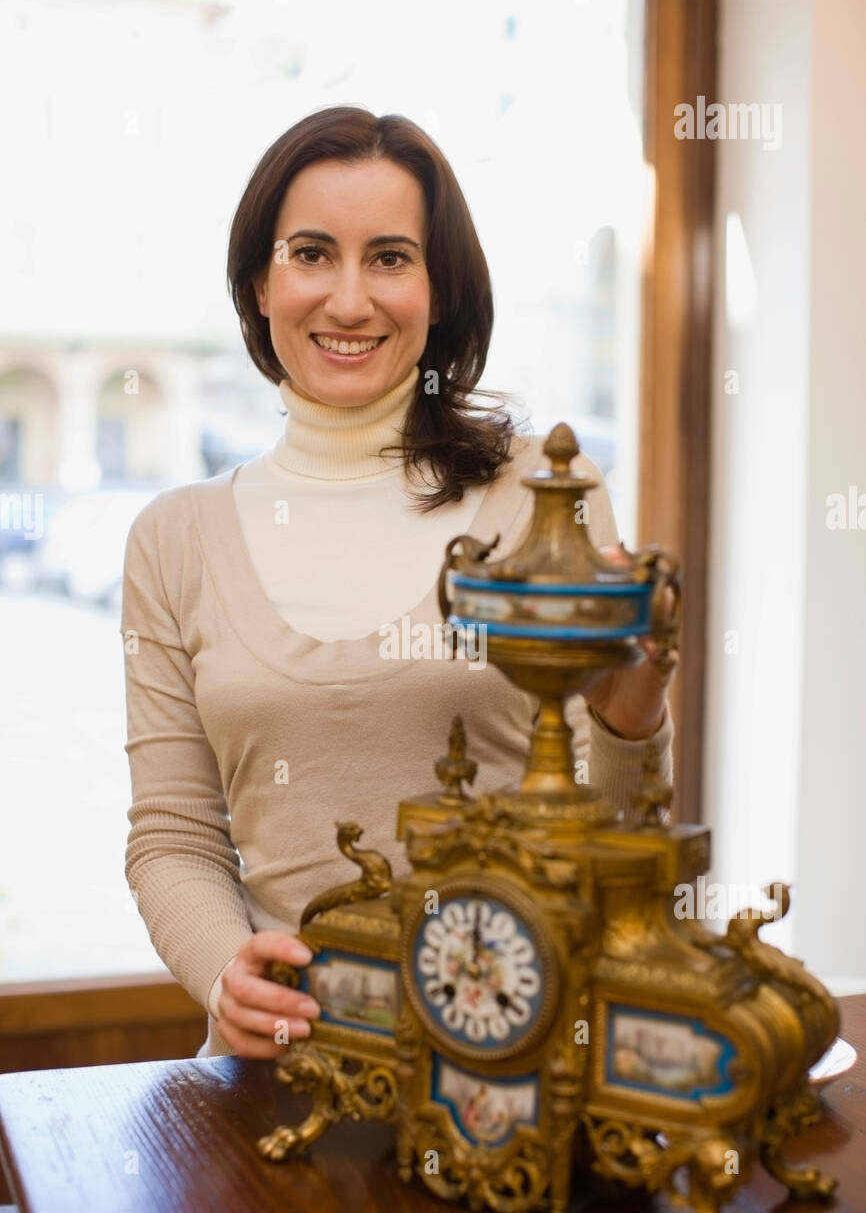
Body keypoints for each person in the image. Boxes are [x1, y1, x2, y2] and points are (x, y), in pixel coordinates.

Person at [120, 106, 674, 1060]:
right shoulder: (175, 538)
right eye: (310, 254)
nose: (347, 299)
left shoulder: (543, 494)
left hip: (512, 1073)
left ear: (439, 288)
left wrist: (634, 717)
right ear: (259, 282)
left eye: (389, 257)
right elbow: (173, 832)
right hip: (279, 1080)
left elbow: (611, 834)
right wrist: (226, 971)